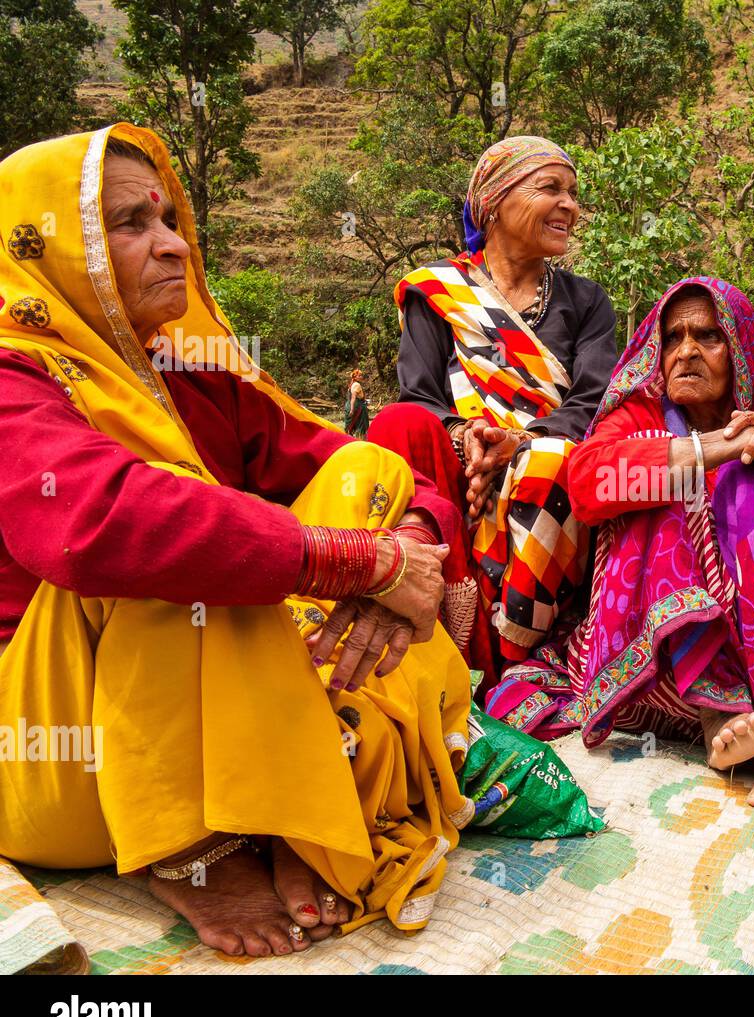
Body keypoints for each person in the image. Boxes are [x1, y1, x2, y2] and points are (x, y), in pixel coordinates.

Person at [0, 125, 480, 956]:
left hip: (196, 724)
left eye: (169, 219)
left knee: (370, 464)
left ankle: (291, 816)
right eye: (129, 225)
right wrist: (355, 562)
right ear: (49, 248)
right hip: (55, 762)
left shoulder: (189, 372)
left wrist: (407, 540)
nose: (174, 246)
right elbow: (102, 521)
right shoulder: (13, 378)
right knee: (178, 528)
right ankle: (194, 848)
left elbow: (368, 468)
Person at [486, 278, 754, 810]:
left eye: (708, 335)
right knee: (665, 467)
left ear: (741, 353)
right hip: (650, 669)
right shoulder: (641, 413)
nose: (686, 351)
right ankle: (716, 710)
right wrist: (720, 446)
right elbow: (587, 483)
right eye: (673, 337)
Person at [369, 136, 619, 668]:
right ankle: (427, 616)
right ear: (496, 202)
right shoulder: (435, 291)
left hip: (547, 466)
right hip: (462, 464)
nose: (570, 206)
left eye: (573, 194)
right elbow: (419, 396)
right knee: (397, 424)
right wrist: (469, 437)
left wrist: (521, 441)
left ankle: (512, 656)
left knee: (551, 463)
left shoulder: (588, 301)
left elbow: (594, 400)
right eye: (550, 189)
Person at [344, 367, 369, 438]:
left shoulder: (352, 384)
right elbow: (353, 398)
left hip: (350, 405)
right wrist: (352, 409)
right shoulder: (357, 385)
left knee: (351, 426)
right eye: (359, 375)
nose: (361, 377)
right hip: (357, 407)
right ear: (355, 377)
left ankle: (351, 439)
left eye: (361, 375)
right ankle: (361, 440)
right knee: (361, 425)